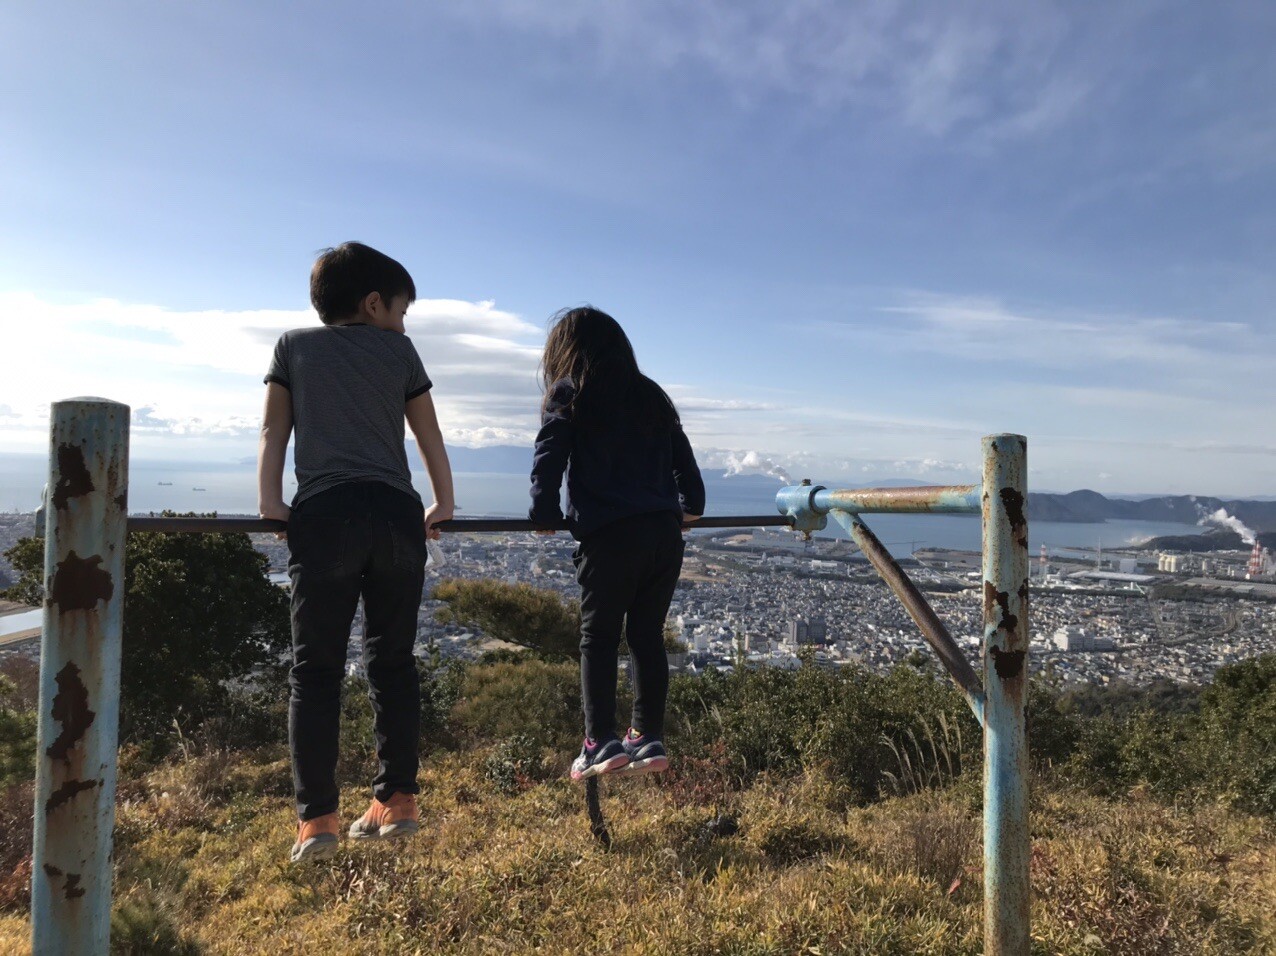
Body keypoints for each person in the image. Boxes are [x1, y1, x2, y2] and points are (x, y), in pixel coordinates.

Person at [258, 242, 455, 863]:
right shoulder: (399, 351)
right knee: (392, 663)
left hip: (325, 513)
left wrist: (271, 501)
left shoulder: (293, 347)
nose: (403, 323)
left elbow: (274, 431)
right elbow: (427, 433)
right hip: (397, 515)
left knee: (314, 671)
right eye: (401, 310)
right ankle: (397, 802)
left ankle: (317, 819)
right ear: (374, 304)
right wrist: (442, 502)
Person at [528, 306, 705, 780]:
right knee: (646, 636)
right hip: (665, 539)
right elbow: (692, 484)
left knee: (599, 637)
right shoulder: (652, 396)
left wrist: (543, 512)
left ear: (566, 350)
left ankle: (599, 741)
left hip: (609, 537)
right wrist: (683, 508)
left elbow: (550, 456)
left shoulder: (570, 393)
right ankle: (646, 736)